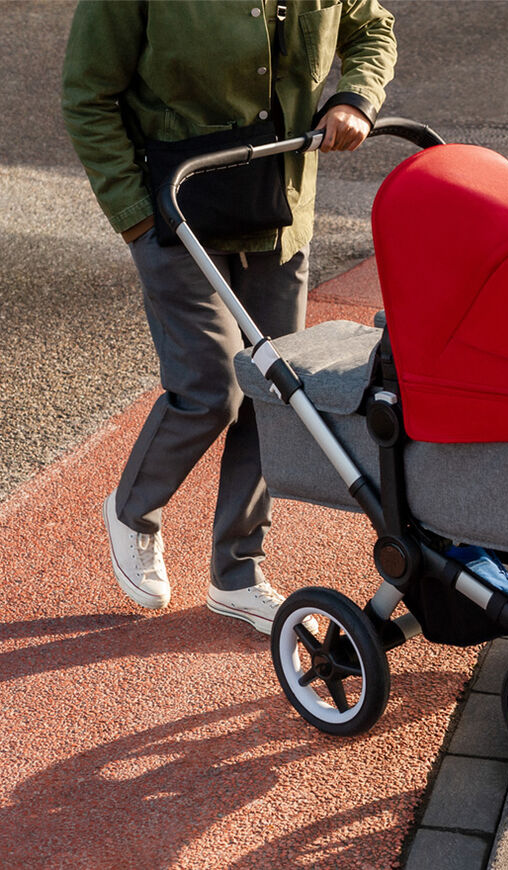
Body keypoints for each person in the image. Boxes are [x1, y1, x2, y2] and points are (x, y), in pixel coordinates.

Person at [61, 0, 397, 633]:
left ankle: (237, 574)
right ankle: (133, 509)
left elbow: (372, 26)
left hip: (279, 205)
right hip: (174, 206)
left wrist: (356, 96)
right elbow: (88, 95)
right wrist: (135, 214)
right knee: (210, 387)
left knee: (276, 393)